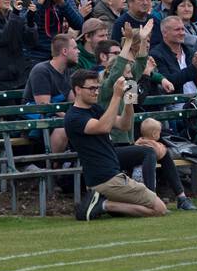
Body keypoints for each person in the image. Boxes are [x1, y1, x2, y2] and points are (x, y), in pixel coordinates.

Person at [67, 68, 168, 221]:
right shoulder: (74, 117)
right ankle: (104, 205)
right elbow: (103, 127)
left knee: (152, 208)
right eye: (92, 88)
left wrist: (128, 101)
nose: (96, 92)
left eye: (97, 88)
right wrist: (116, 95)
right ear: (78, 90)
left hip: (107, 176)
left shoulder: (94, 109)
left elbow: (124, 125)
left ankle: (101, 203)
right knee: (160, 209)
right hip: (106, 179)